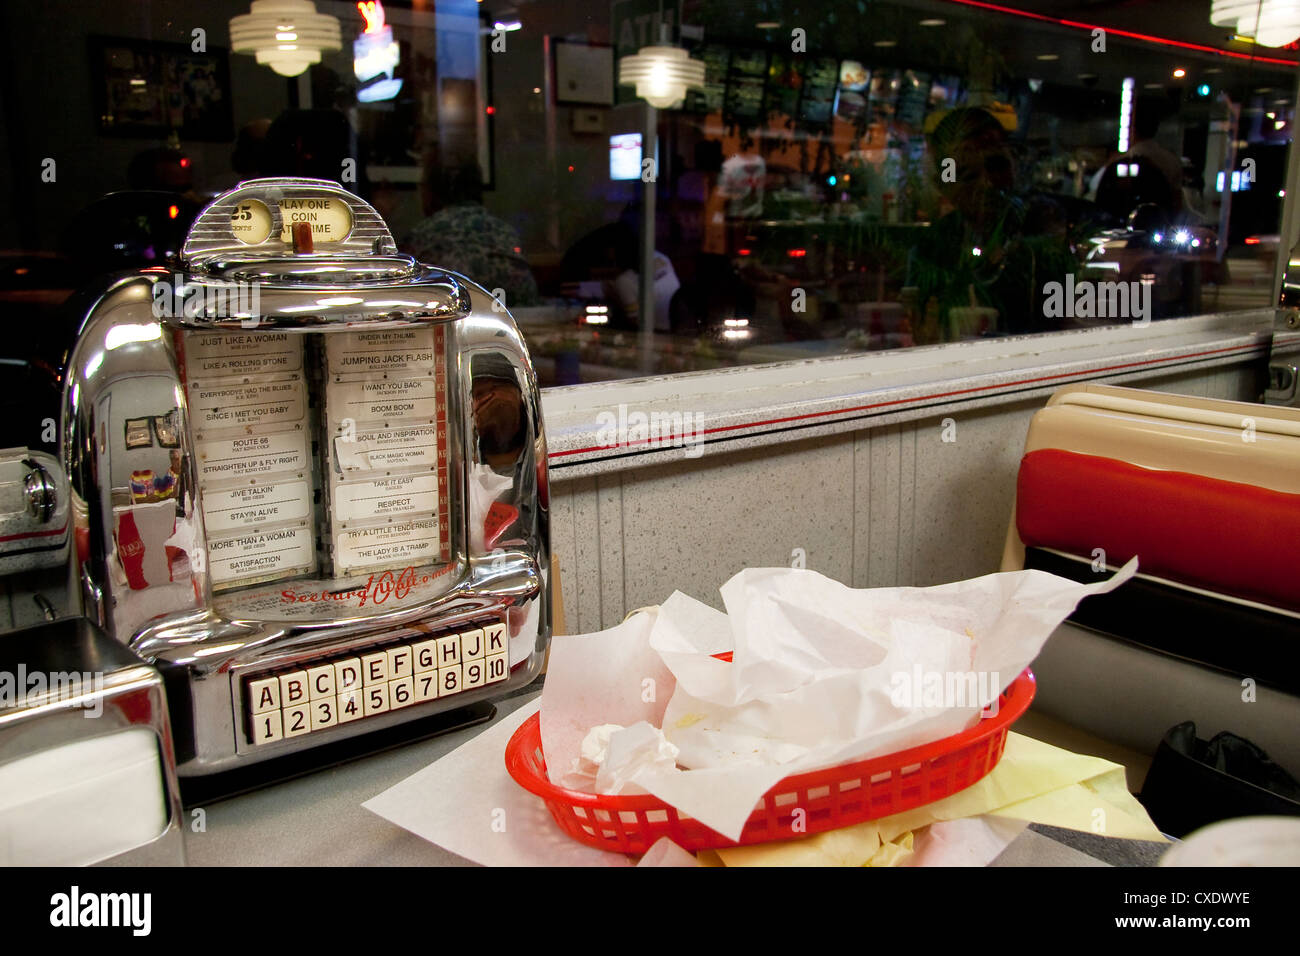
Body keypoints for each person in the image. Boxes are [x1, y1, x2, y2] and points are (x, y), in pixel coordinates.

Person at [908, 106, 1078, 338]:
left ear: (1014, 166)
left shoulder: (1041, 227)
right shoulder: (935, 244)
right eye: (968, 175)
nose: (987, 184)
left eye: (997, 167)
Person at [404, 161, 538, 306]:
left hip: (457, 316)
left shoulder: (422, 235)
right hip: (519, 314)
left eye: (423, 187)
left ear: (431, 192)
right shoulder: (504, 230)